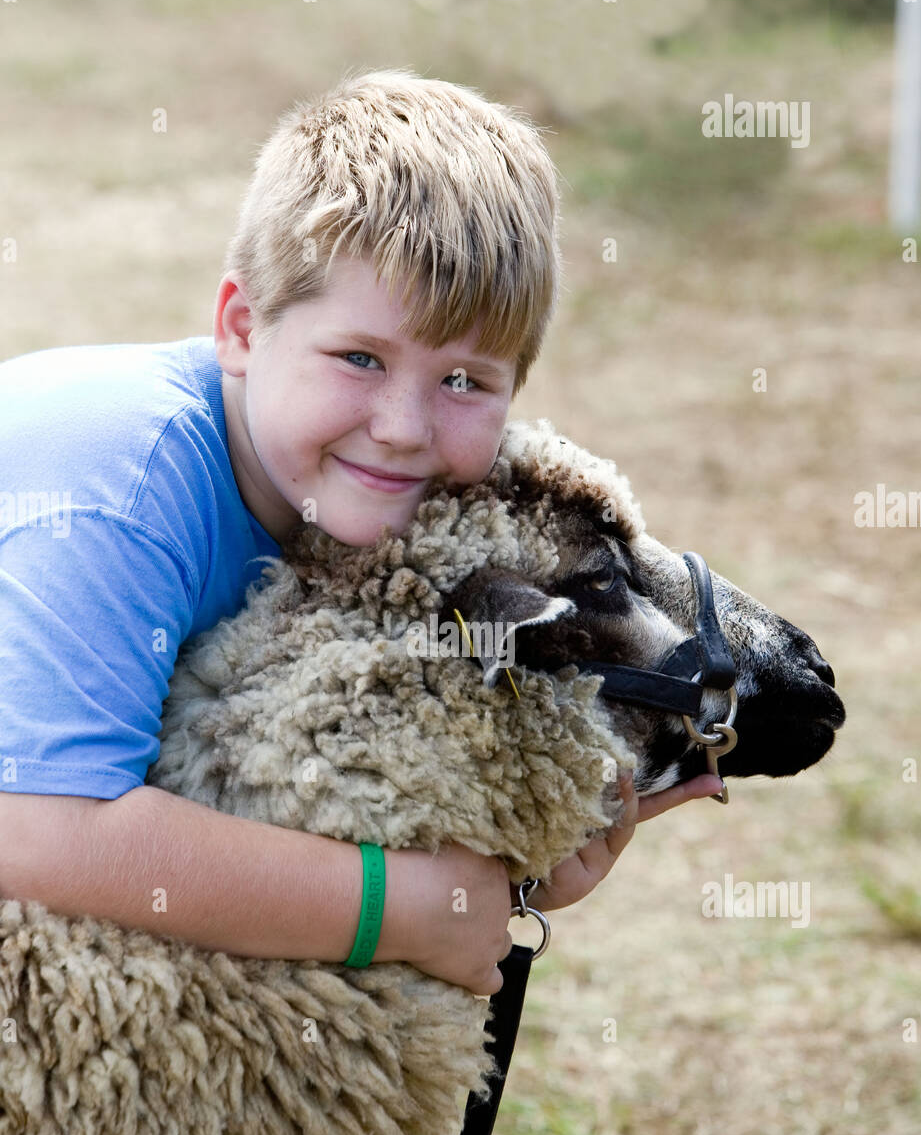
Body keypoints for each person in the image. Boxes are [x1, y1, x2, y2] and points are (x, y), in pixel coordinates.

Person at [0, 68, 721, 998]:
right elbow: (44, 829)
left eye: (464, 381)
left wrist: (506, 869)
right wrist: (404, 909)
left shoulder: (355, 505)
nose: (404, 426)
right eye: (358, 359)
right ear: (242, 329)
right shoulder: (124, 493)